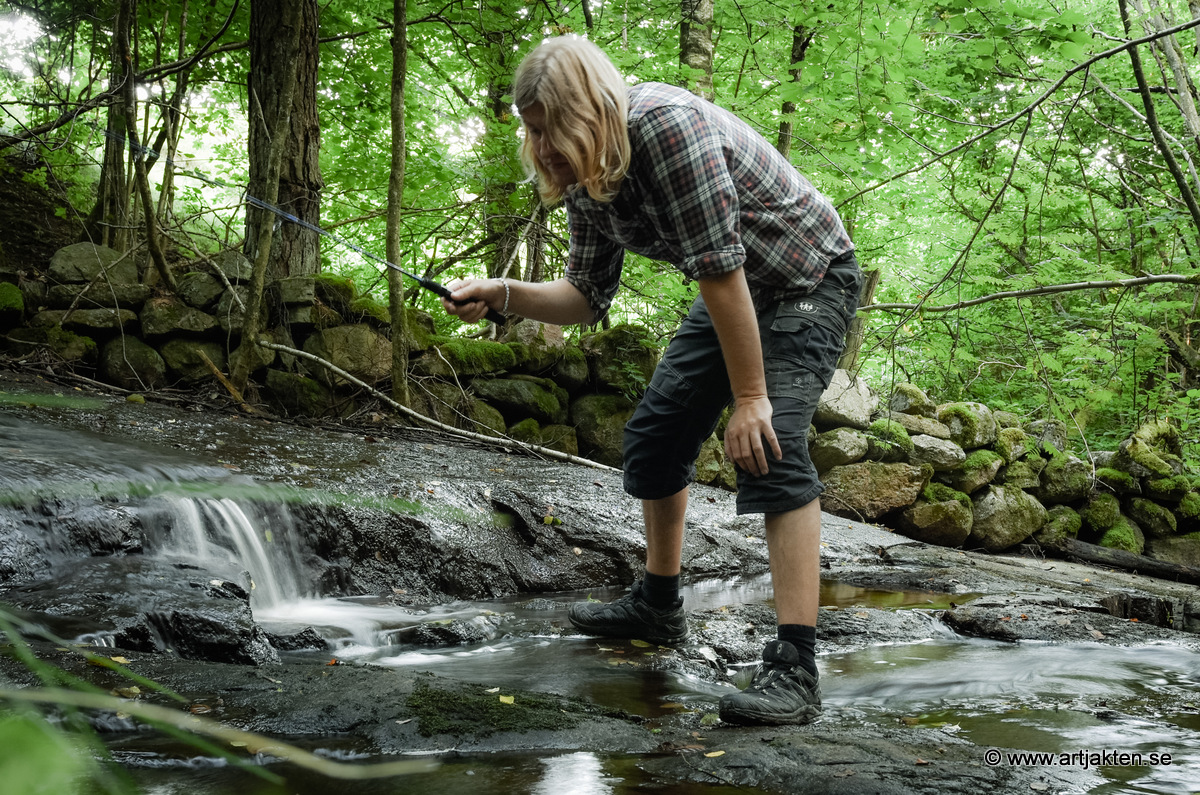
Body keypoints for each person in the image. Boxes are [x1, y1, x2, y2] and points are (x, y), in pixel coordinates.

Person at [442, 35, 861, 727]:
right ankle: (659, 604)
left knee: (772, 442)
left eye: (548, 127)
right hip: (735, 287)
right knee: (655, 436)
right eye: (531, 130)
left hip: (806, 277)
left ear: (586, 110)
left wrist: (751, 399)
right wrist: (503, 291)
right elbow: (583, 294)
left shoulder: (667, 129)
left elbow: (721, 271)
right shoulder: (587, 175)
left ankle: (795, 667)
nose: (540, 147)